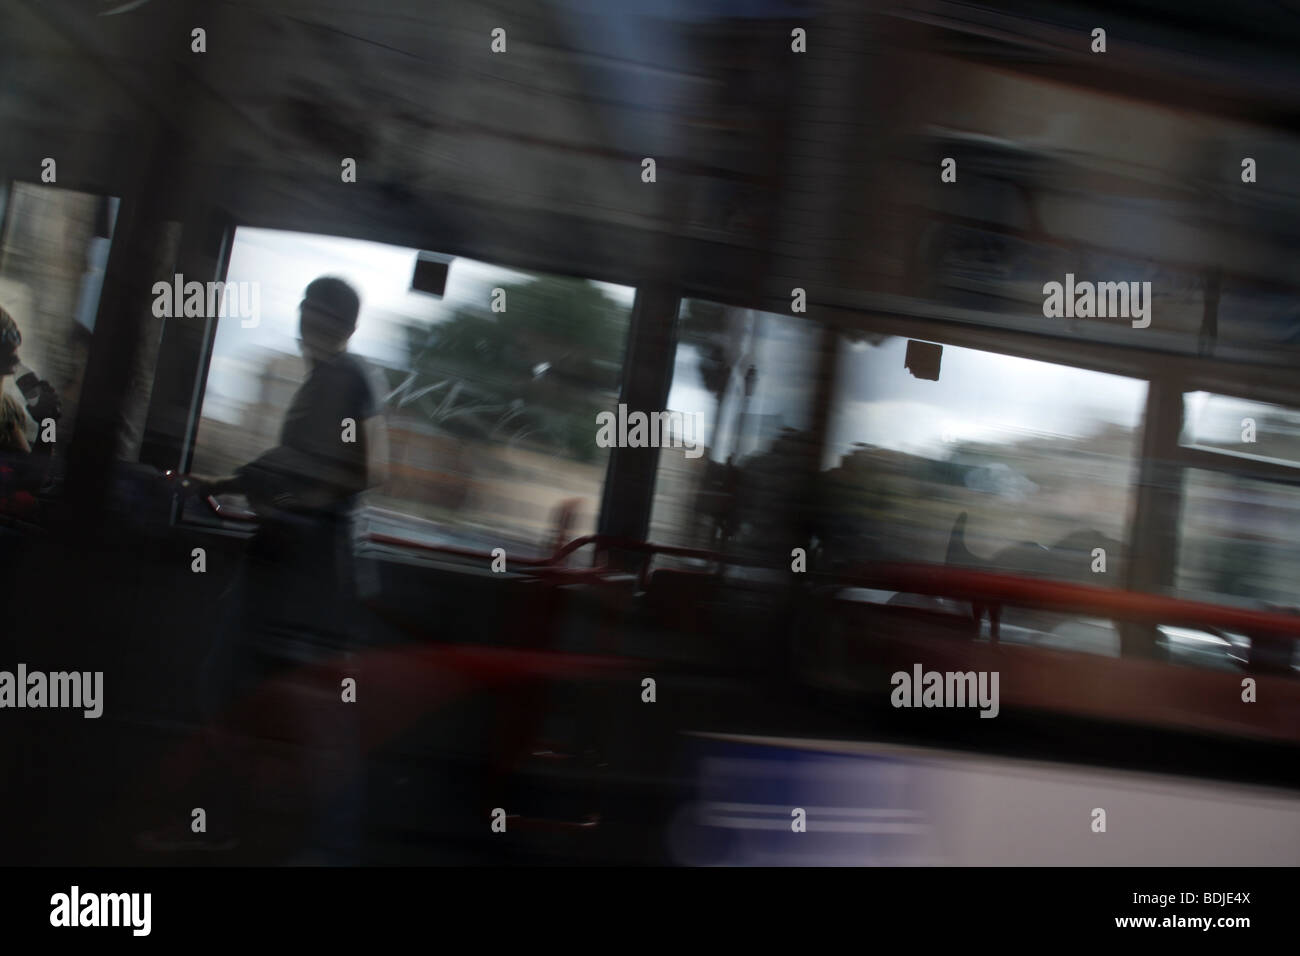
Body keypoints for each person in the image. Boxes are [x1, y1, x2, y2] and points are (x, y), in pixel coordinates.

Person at [146, 276, 387, 862]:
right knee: (259, 701)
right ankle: (245, 827)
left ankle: (300, 842)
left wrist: (294, 506)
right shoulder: (320, 382)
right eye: (311, 311)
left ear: (348, 328)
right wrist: (226, 483)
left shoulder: (349, 376)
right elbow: (292, 462)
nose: (315, 324)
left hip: (307, 571)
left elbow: (365, 470)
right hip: (293, 566)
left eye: (329, 317)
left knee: (278, 707)